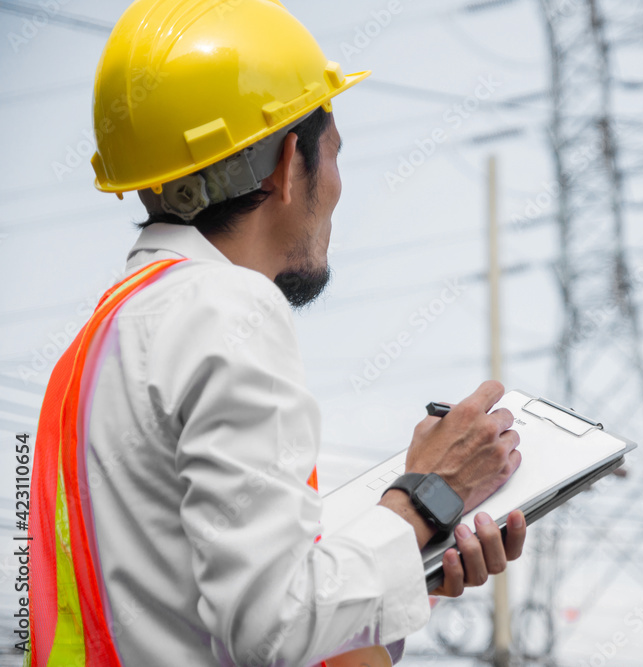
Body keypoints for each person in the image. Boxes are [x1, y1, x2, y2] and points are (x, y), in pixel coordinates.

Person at [25, 1, 525, 665]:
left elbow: (200, 621)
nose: (339, 186)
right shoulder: (226, 307)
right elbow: (272, 626)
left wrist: (413, 557)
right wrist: (427, 498)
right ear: (290, 161)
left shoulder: (95, 348)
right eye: (335, 152)